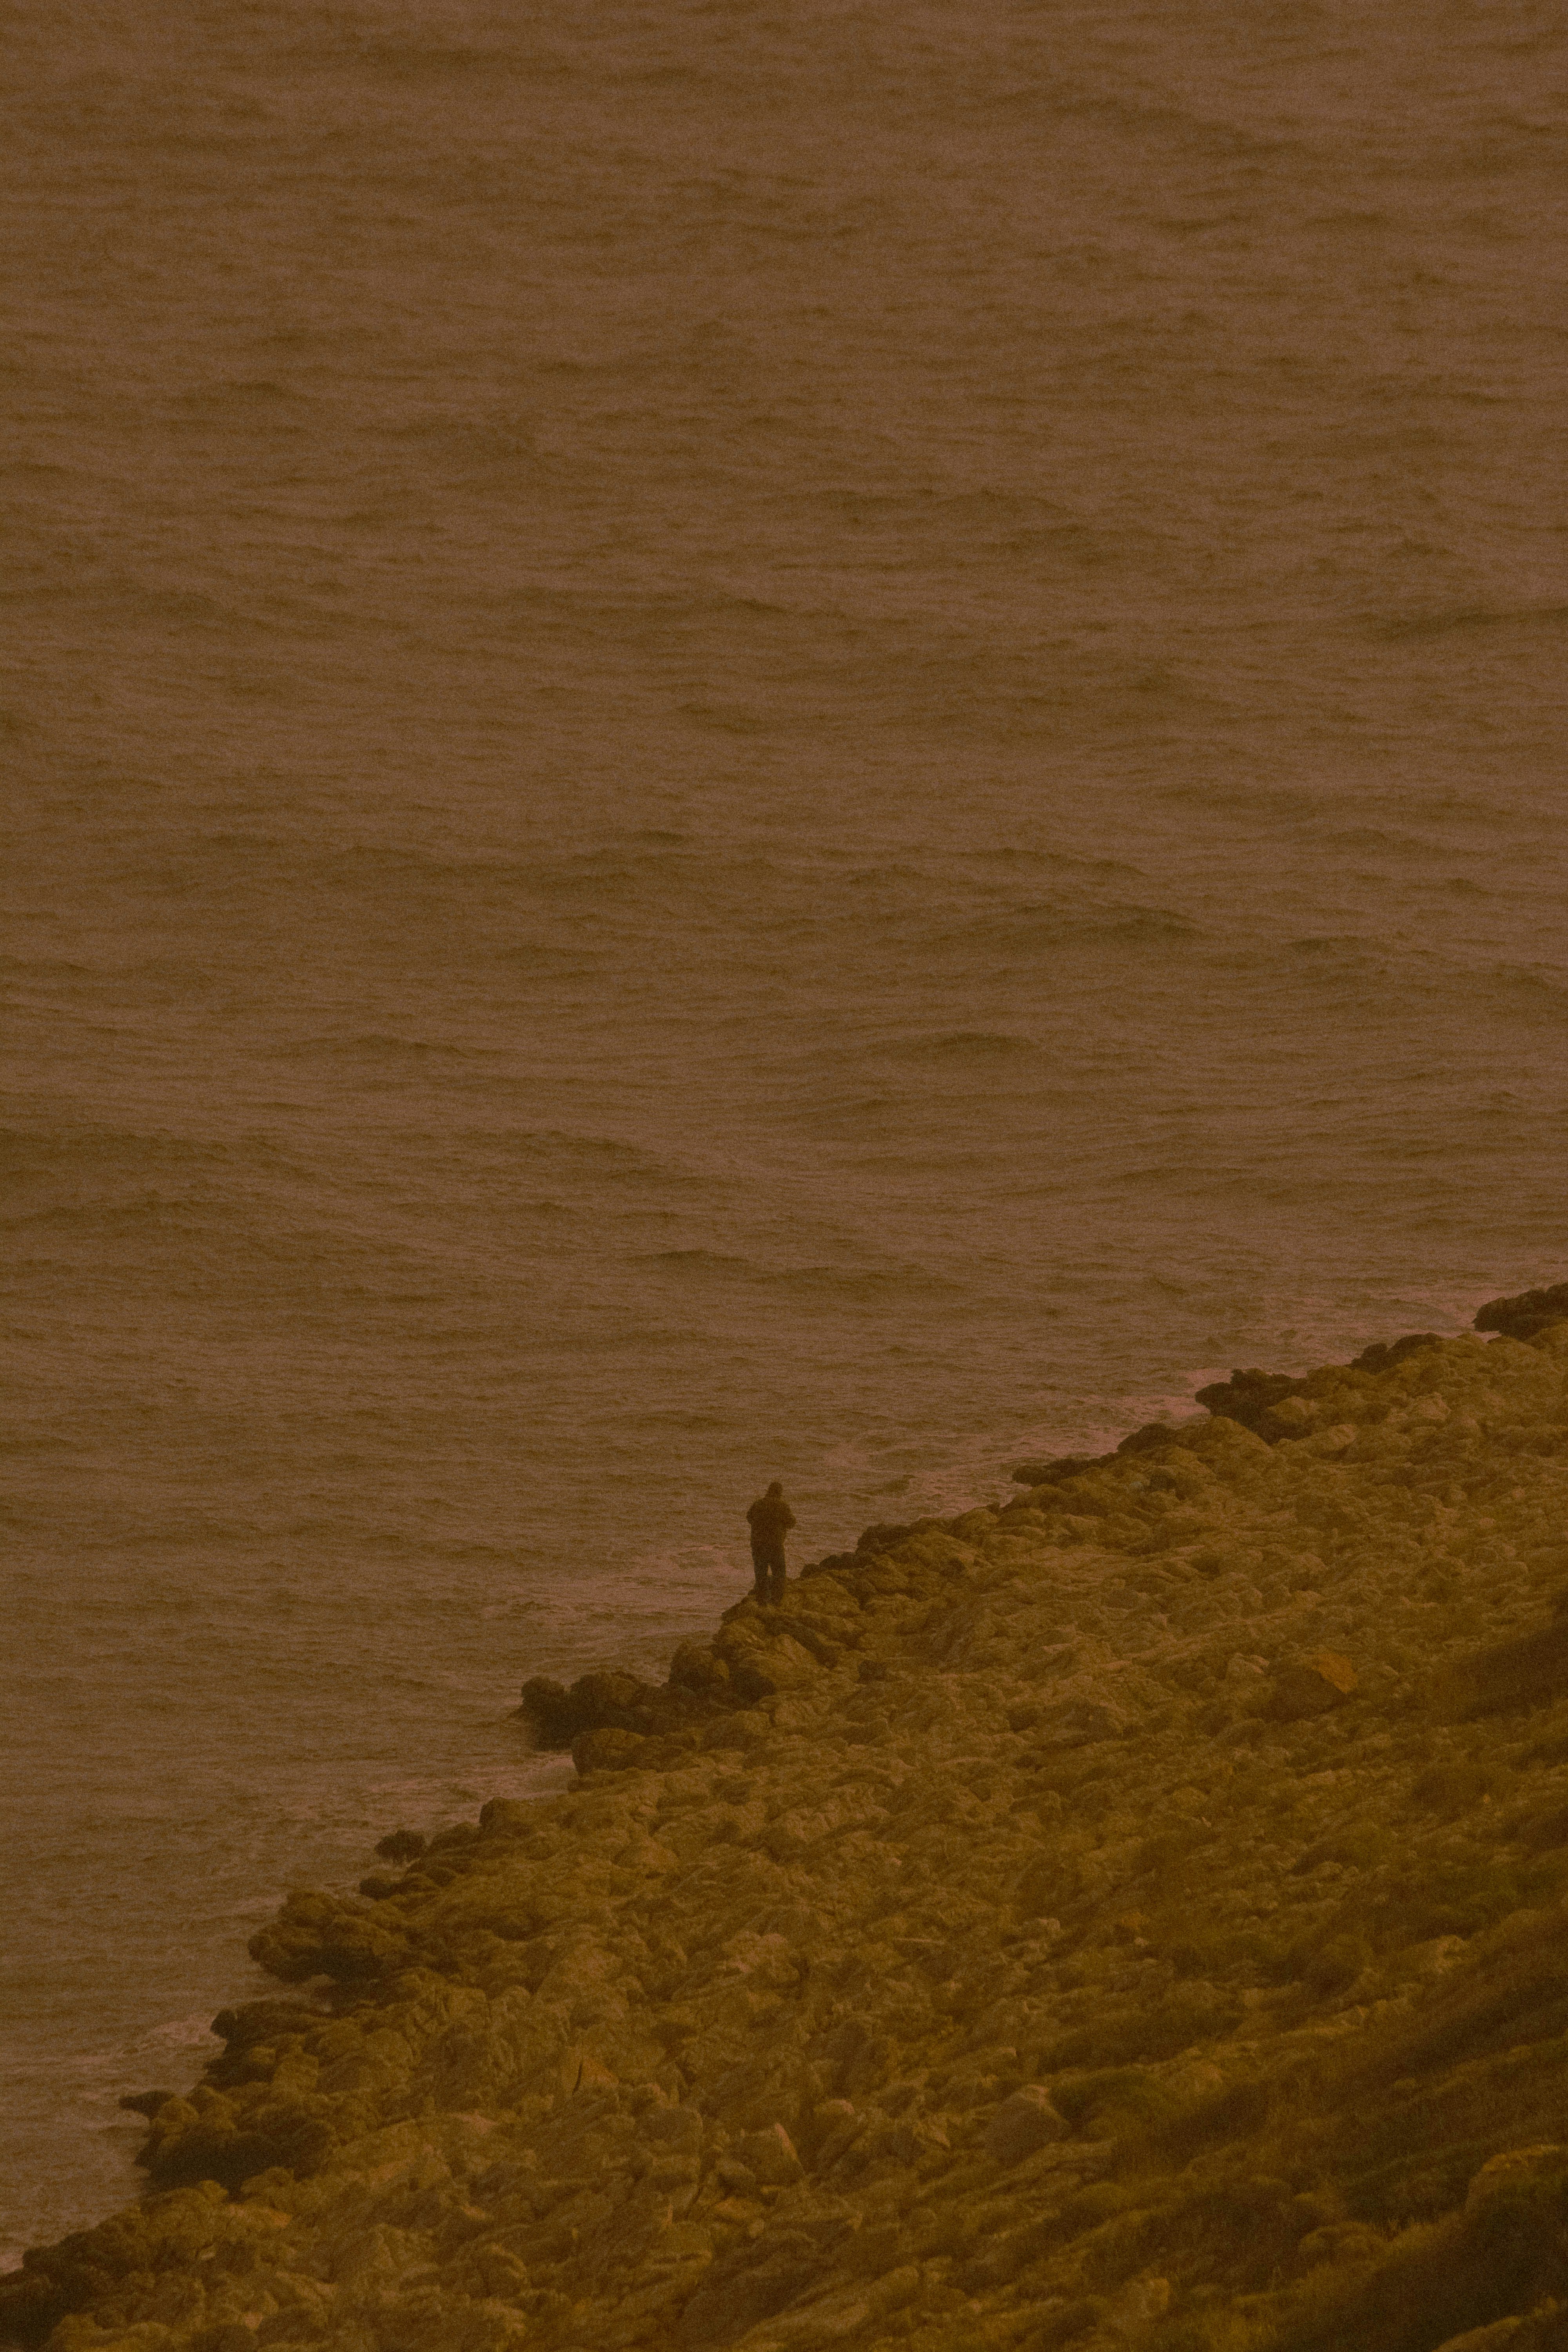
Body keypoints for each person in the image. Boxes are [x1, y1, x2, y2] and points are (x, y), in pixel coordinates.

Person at [746, 1481, 795, 1602]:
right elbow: (791, 1523)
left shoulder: (758, 1504)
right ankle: (776, 1601)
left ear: (768, 1491)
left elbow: (749, 1518)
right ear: (780, 1493)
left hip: (758, 1545)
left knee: (761, 1573)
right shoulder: (782, 1506)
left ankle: (762, 1601)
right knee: (779, 1573)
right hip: (775, 1545)